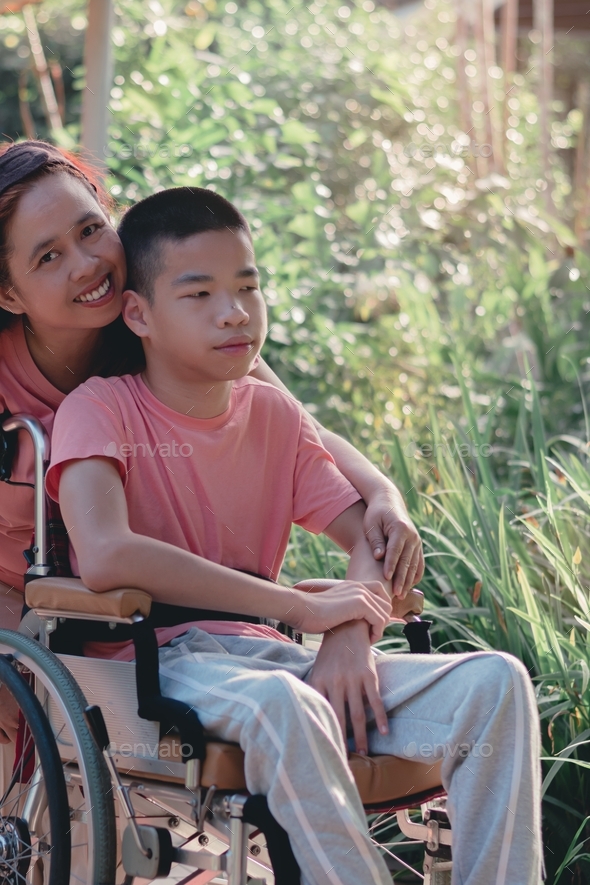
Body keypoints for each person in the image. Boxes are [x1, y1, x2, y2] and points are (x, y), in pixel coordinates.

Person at [46, 186, 543, 885]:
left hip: (270, 661)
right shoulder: (98, 409)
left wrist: (347, 636)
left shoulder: (274, 416)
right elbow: (106, 554)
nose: (234, 311)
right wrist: (302, 609)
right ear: (139, 314)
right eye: (200, 294)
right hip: (152, 664)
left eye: (248, 287)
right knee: (288, 702)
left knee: (495, 682)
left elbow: (367, 540)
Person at [0, 141, 423, 768]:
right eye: (49, 256)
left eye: (91, 229)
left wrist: (382, 496)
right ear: (9, 294)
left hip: (139, 620)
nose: (88, 264)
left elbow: (298, 430)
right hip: (29, 606)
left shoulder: (167, 329)